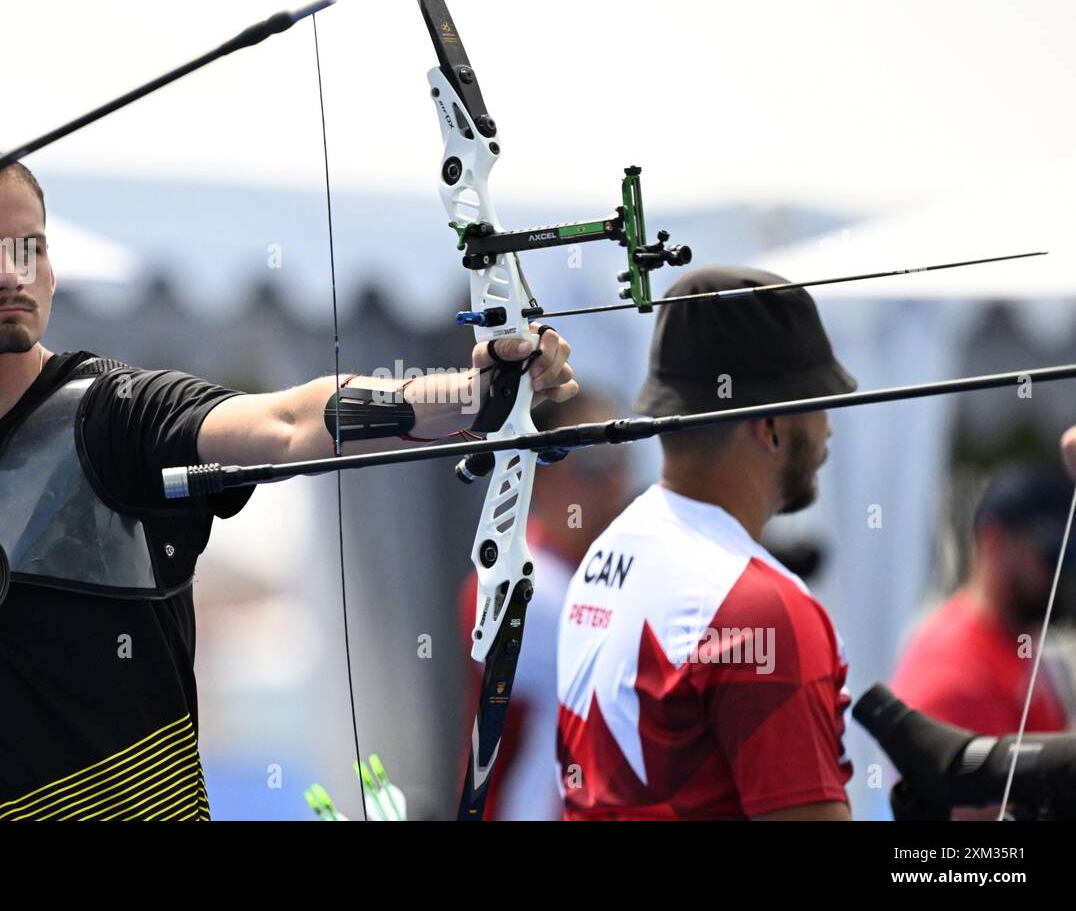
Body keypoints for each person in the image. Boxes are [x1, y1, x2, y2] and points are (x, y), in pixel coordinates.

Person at [0, 141, 578, 821]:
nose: (11, 273)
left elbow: (289, 422)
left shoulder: (116, 414)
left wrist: (471, 394)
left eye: (30, 247)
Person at [557, 266, 854, 820]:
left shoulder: (602, 558)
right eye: (819, 402)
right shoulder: (764, 610)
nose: (829, 428)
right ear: (770, 426)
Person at [456, 391, 634, 820]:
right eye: (593, 465)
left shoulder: (604, 572)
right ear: (539, 471)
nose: (615, 480)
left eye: (620, 458)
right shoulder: (516, 582)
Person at [890, 466, 1075, 736]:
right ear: (994, 540)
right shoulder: (951, 667)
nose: (1058, 573)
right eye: (1050, 554)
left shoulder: (1021, 644)